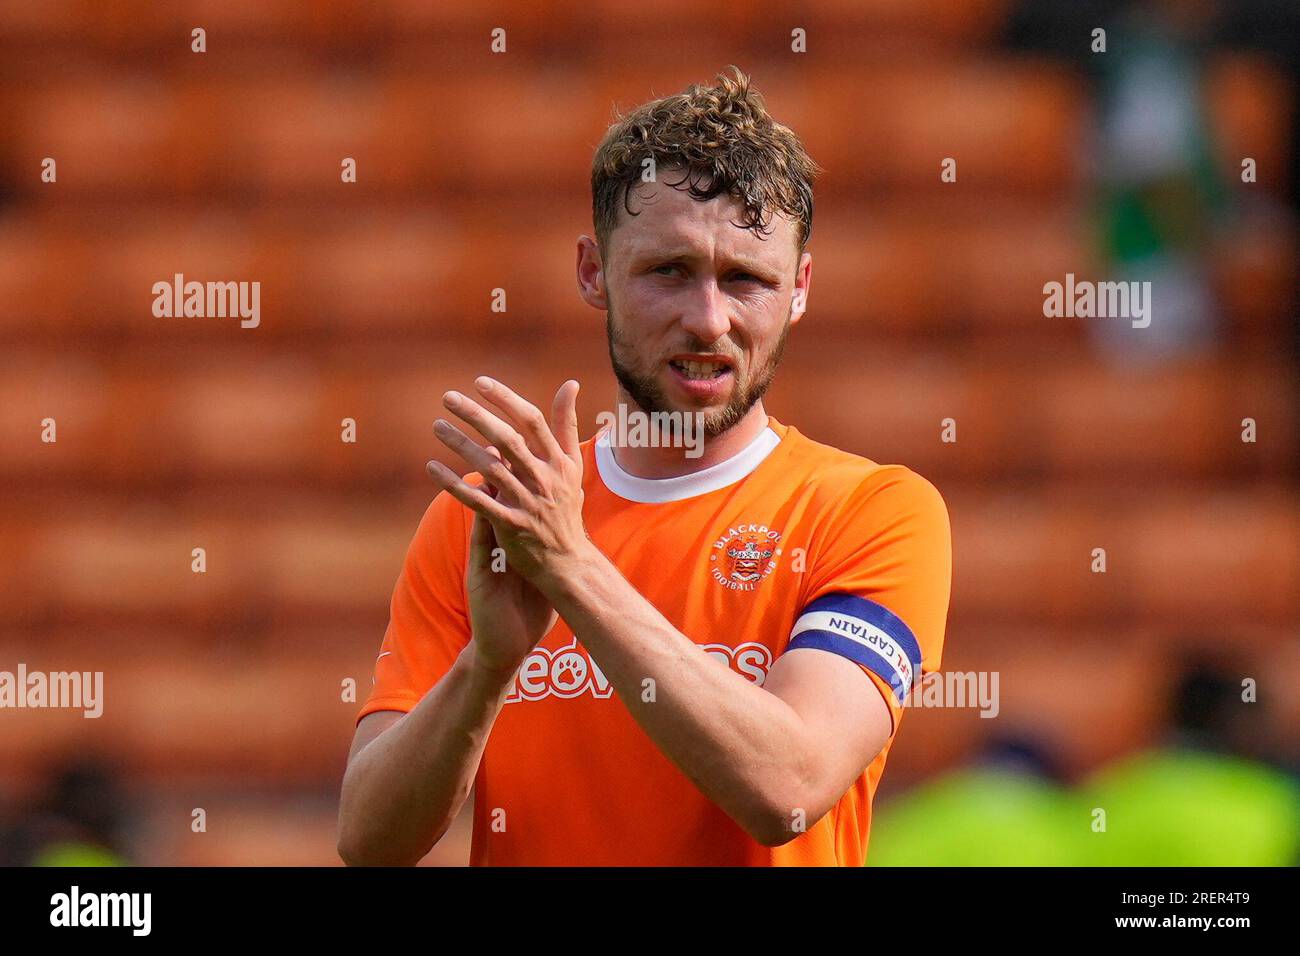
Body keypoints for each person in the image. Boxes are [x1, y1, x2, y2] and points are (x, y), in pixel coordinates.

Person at [337, 66, 952, 866]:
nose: (708, 320)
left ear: (799, 289)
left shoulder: (871, 511)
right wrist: (488, 668)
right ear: (593, 272)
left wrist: (570, 570)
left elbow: (789, 788)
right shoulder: (490, 517)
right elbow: (370, 843)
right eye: (669, 272)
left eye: (746, 280)